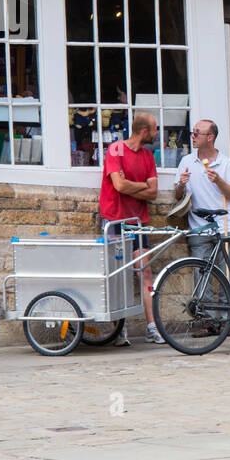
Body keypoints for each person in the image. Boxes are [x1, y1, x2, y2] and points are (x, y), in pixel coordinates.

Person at [100, 110, 164, 345]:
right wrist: (139, 187)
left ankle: (151, 326)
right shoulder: (115, 150)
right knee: (118, 276)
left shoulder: (148, 156)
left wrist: (130, 185)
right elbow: (118, 185)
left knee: (145, 272)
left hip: (138, 221)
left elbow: (153, 192)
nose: (157, 134)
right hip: (115, 220)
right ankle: (120, 330)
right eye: (155, 129)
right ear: (144, 131)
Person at [175, 118, 230, 290]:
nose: (192, 136)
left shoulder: (226, 163)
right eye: (192, 132)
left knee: (228, 275)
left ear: (210, 137)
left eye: (197, 133)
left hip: (225, 226)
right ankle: (207, 316)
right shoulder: (187, 162)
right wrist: (181, 184)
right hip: (199, 228)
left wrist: (219, 181)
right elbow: (177, 196)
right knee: (201, 277)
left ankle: (229, 315)